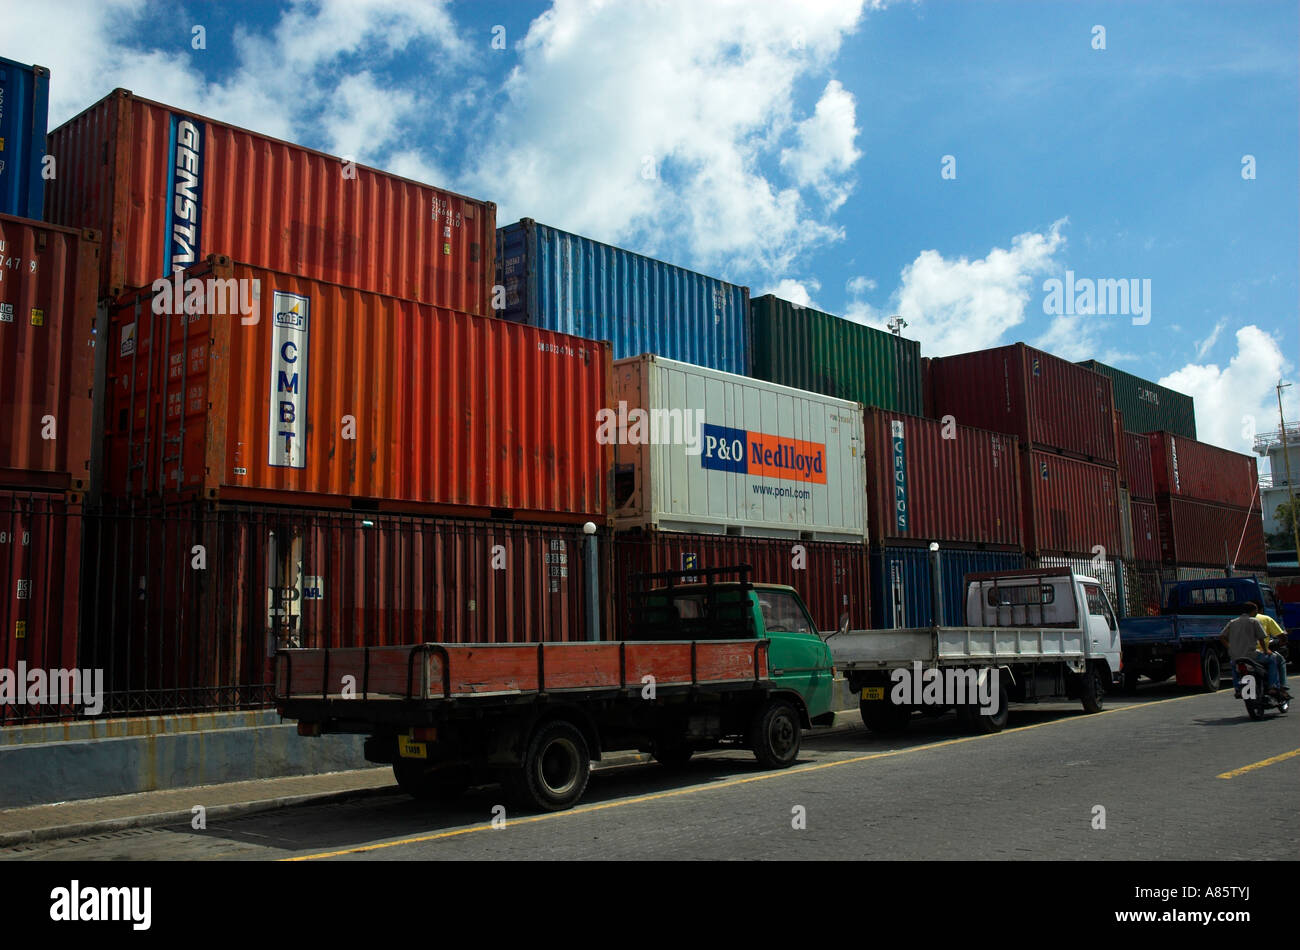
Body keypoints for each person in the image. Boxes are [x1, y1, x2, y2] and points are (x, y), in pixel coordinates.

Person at [1219, 602, 1290, 700]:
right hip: (1252, 654)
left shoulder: (1233, 622)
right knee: (1272, 659)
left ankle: (1238, 689)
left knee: (1234, 667)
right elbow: (1261, 638)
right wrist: (1266, 650)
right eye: (1255, 611)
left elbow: (1222, 636)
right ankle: (1273, 687)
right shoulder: (1254, 621)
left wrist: (1230, 648)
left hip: (1236, 656)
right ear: (1253, 611)